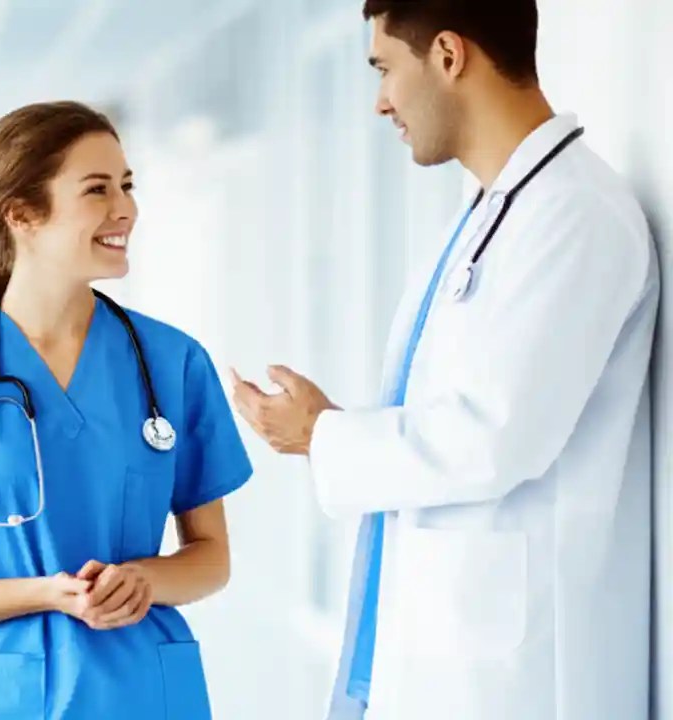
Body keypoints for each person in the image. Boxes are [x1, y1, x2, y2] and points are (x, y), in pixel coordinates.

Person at [232, 2, 658, 719]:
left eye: (385, 69)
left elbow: (495, 437)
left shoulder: (575, 216)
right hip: (457, 655)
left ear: (449, 56)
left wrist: (322, 436)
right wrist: (332, 429)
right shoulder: (497, 211)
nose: (379, 102)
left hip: (523, 678)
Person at [0, 101, 253, 719]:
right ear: (21, 214)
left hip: (148, 692)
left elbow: (211, 558)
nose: (126, 209)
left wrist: (145, 579)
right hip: (14, 700)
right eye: (97, 189)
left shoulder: (173, 363)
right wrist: (46, 594)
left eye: (127, 185)